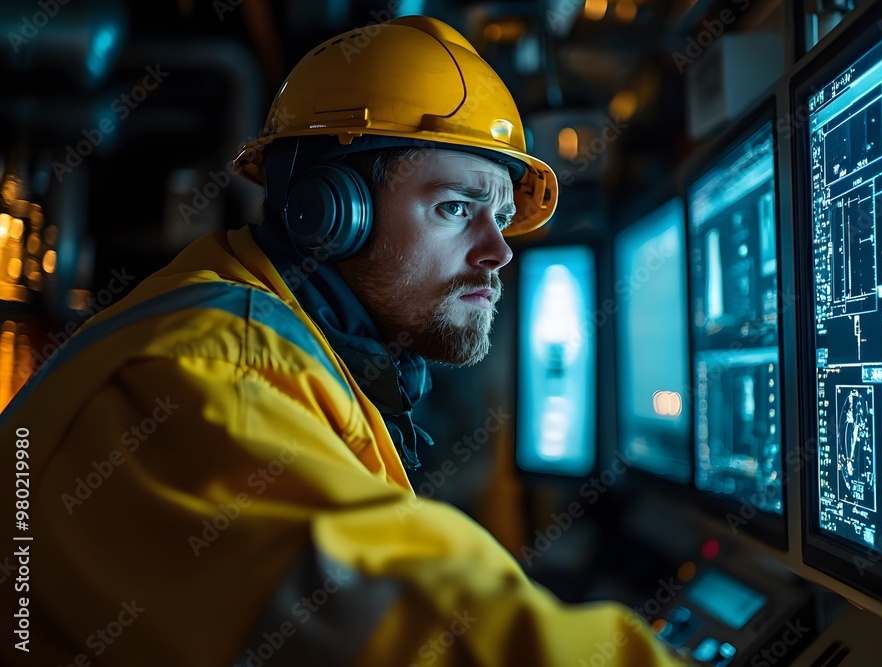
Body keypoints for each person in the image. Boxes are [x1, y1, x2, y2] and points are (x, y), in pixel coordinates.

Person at [1, 16, 683, 666]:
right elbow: (415, 631)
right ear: (329, 212)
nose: (499, 251)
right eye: (455, 207)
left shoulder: (288, 349)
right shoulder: (209, 372)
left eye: (501, 217)